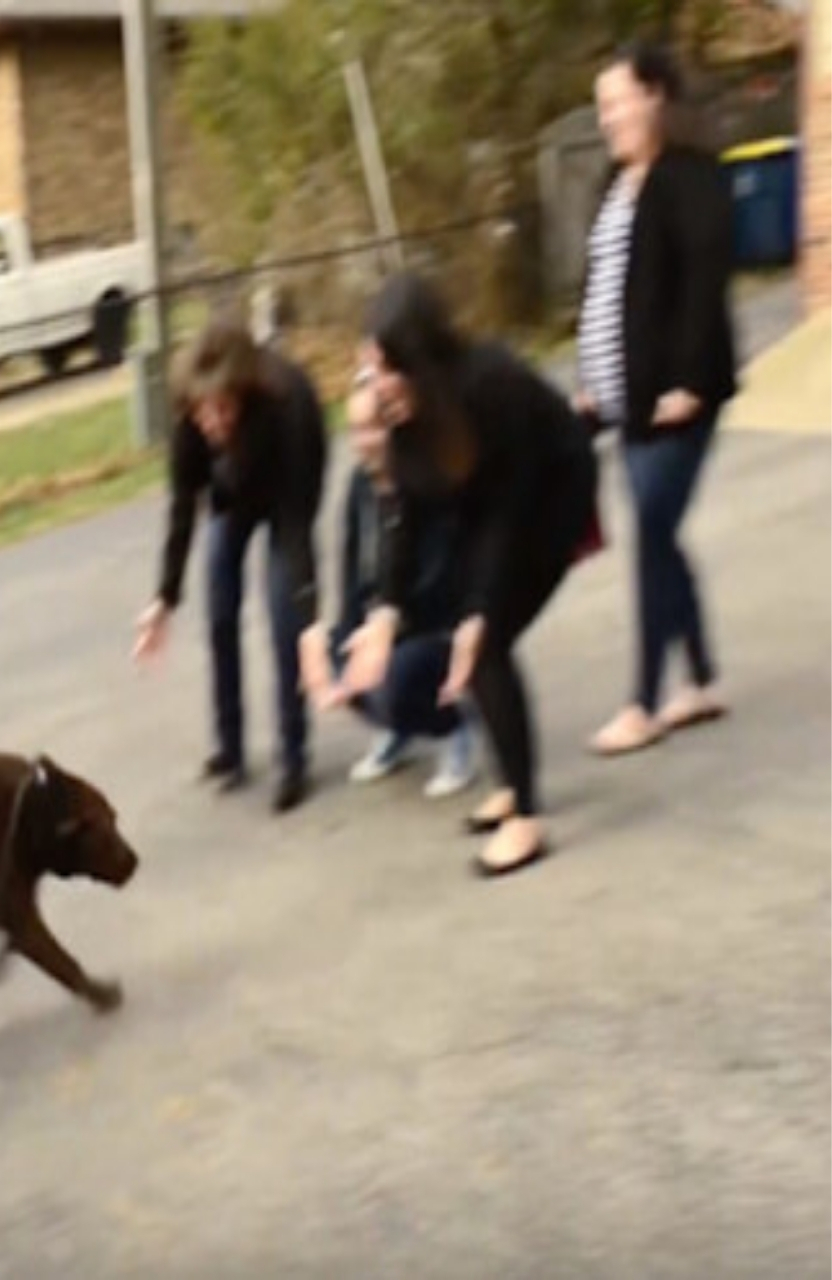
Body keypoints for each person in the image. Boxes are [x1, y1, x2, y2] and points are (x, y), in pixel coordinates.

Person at [302, 272, 597, 877]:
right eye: (370, 367)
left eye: (386, 367)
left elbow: (505, 516)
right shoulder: (403, 410)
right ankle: (514, 782)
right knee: (482, 640)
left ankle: (526, 820)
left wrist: (482, 609)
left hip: (551, 494)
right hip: (488, 506)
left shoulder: (492, 386)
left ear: (423, 360)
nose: (375, 384)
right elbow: (402, 516)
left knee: (484, 642)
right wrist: (385, 614)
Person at [577, 41, 736, 756]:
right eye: (601, 105)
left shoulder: (689, 177)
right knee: (661, 532)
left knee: (650, 532)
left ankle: (642, 702)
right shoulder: (618, 184)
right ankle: (699, 679)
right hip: (628, 400)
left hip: (679, 400)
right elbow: (607, 291)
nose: (606, 117)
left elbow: (704, 285)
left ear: (654, 98)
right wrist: (591, 378)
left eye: (615, 101)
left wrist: (690, 383)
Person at [133, 316, 328, 814]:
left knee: (285, 618)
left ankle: (294, 757)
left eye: (223, 409)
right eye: (203, 412)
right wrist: (164, 597)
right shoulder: (189, 423)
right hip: (232, 495)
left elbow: (295, 525)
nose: (212, 423)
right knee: (220, 607)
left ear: (245, 393)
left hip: (288, 488)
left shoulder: (287, 405)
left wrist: (308, 614)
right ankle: (230, 749)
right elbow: (182, 508)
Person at [323, 366, 477, 795]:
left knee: (392, 676)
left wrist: (385, 632)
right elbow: (351, 564)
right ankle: (399, 726)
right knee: (333, 658)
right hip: (383, 625)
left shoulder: (424, 482)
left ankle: (454, 728)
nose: (363, 442)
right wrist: (346, 635)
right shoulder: (359, 484)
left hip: (432, 626)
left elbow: (439, 580)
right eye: (355, 431)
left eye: (373, 428)